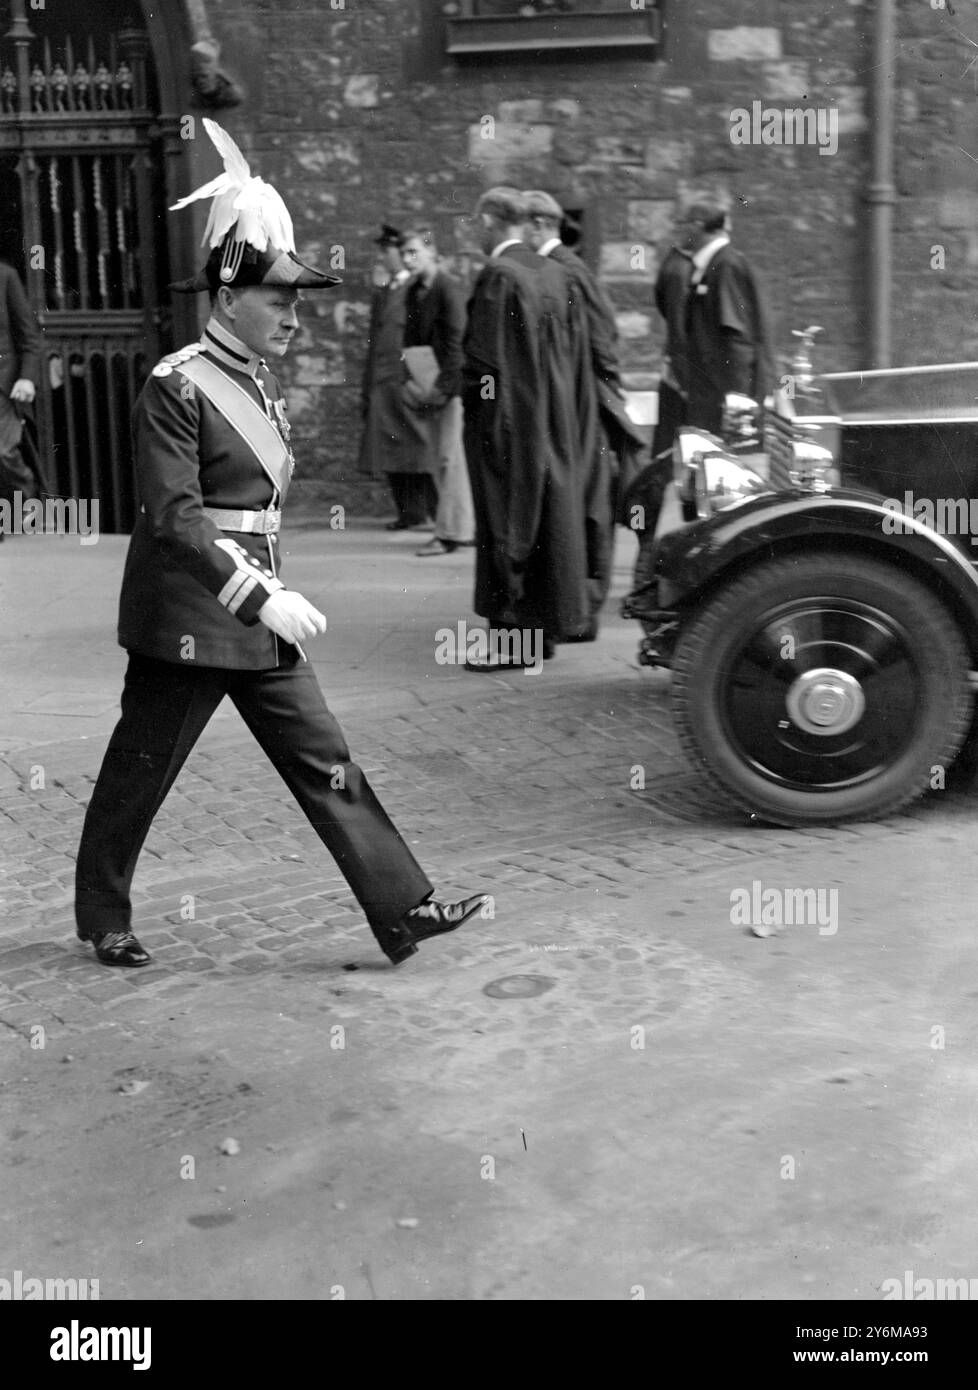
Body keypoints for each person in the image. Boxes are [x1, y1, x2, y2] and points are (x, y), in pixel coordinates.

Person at [73, 119, 487, 970]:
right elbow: (176, 517)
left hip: (257, 613)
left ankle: (405, 910)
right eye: (280, 299)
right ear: (228, 299)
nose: (295, 318)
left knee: (325, 758)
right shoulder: (175, 385)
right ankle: (102, 914)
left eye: (297, 301)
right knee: (140, 771)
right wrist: (263, 594)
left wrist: (267, 596)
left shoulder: (256, 386)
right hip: (190, 615)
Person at [461, 186, 590, 671]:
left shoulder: (499, 275)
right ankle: (543, 633)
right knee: (547, 519)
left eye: (477, 220)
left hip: (510, 423)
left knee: (509, 520)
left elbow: (486, 365)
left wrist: (482, 415)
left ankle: (516, 643)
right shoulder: (553, 271)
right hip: (553, 417)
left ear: (493, 219)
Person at [522, 190, 645, 637]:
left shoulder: (567, 270)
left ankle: (583, 609)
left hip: (588, 405)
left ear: (538, 226)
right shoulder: (562, 268)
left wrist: (597, 396)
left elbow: (602, 340)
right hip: (582, 401)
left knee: (590, 506)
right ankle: (577, 606)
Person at [399, 225, 475, 556]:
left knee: (450, 459)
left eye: (414, 251)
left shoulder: (449, 289)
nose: (407, 258)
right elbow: (411, 342)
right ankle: (456, 528)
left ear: (434, 253)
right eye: (404, 253)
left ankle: (452, 533)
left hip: (450, 386)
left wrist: (442, 390)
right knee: (441, 459)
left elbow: (458, 343)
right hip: (428, 383)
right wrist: (412, 382)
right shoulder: (414, 290)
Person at [358, 224, 438, 531]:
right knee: (391, 450)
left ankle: (432, 511)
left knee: (418, 450)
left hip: (405, 379)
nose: (383, 257)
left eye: (387, 251)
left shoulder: (416, 288)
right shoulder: (388, 290)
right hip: (384, 382)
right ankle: (410, 512)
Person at [678, 197, 774, 434]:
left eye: (683, 224)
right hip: (713, 394)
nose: (678, 231)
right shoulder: (714, 264)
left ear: (697, 225)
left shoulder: (725, 266)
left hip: (723, 399)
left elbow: (736, 338)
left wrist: (737, 401)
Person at [0, 260, 42, 543]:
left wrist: (26, 377)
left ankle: (25, 495)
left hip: (2, 382)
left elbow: (28, 335)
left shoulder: (5, 276)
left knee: (2, 450)